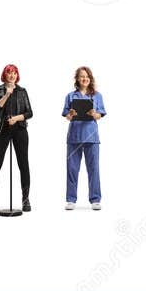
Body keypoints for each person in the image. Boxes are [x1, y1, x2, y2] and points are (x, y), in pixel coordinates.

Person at [0, 64, 33, 212]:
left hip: (19, 130)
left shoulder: (22, 91)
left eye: (14, 73)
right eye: (9, 73)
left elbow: (29, 113)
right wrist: (7, 94)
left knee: (23, 164)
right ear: (4, 75)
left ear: (17, 75)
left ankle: (25, 199)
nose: (12, 76)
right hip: (2, 130)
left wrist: (16, 118)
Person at [63, 66, 105, 211]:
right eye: (81, 76)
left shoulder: (97, 96)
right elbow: (67, 117)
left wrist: (94, 114)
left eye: (87, 76)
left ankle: (95, 199)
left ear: (90, 78)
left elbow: (100, 115)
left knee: (94, 169)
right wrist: (71, 114)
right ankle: (71, 200)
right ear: (77, 79)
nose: (84, 79)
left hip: (91, 137)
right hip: (74, 137)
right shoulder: (70, 96)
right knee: (72, 169)